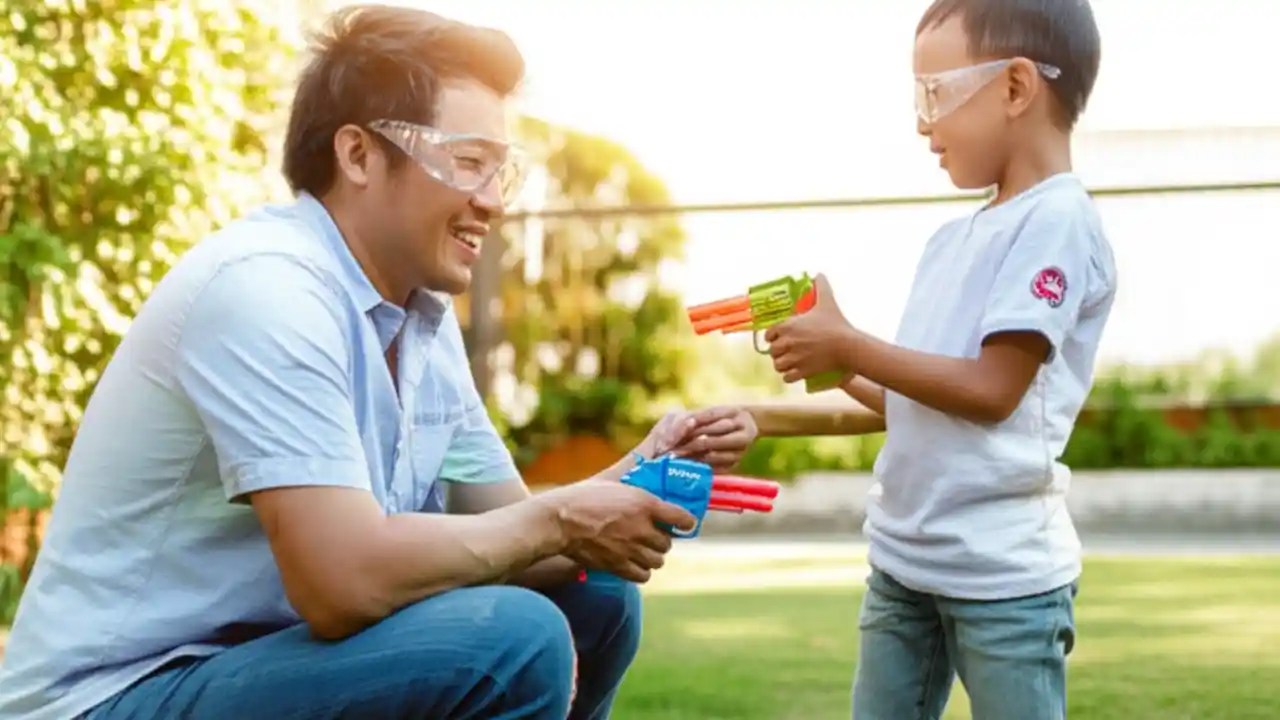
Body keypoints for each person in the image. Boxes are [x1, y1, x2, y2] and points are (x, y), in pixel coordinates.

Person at [0, 5, 759, 719]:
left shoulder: (420, 321)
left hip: (257, 662)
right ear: (358, 153)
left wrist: (637, 474)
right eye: (469, 163)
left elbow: (507, 525)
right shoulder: (266, 290)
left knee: (594, 598)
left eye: (502, 171)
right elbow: (342, 582)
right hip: (118, 693)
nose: (493, 201)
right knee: (512, 636)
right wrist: (560, 517)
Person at [765, 1, 1115, 718]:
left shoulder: (1058, 221)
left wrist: (853, 342)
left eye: (935, 93)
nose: (923, 122)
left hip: (1005, 578)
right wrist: (832, 361)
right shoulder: (951, 243)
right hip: (905, 563)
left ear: (1016, 88)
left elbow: (991, 392)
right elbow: (924, 401)